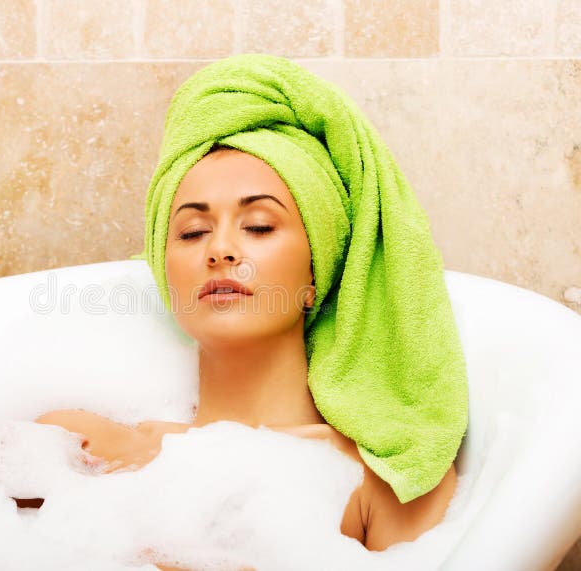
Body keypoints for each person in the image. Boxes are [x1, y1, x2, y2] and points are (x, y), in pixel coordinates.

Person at [29, 145, 458, 568]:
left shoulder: (387, 481)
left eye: (258, 226)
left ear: (315, 274)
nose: (220, 251)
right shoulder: (79, 445)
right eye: (193, 232)